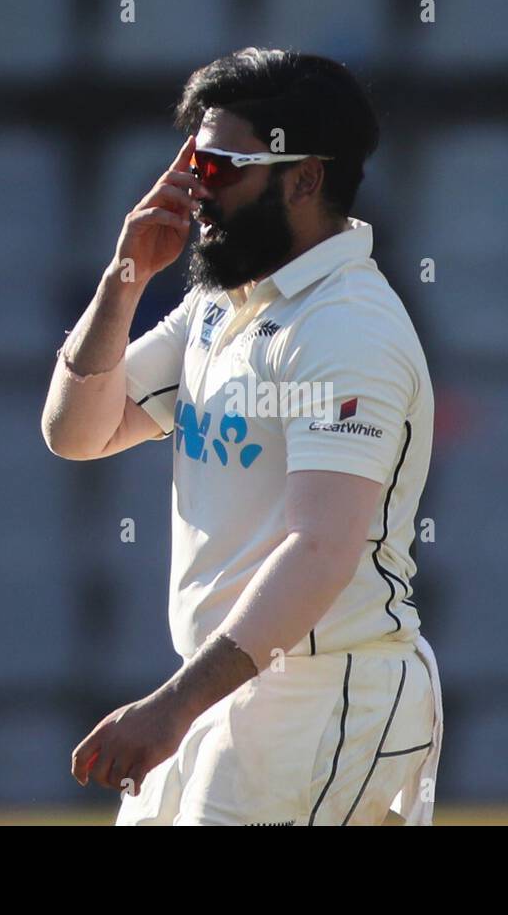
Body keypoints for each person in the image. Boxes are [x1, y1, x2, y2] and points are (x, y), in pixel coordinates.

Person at [41, 47, 440, 826]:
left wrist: (169, 708)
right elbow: (77, 432)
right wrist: (125, 275)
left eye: (222, 167)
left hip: (324, 698)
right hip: (225, 688)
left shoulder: (345, 326)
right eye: (192, 160)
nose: (195, 192)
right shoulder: (223, 303)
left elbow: (319, 550)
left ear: (305, 177)